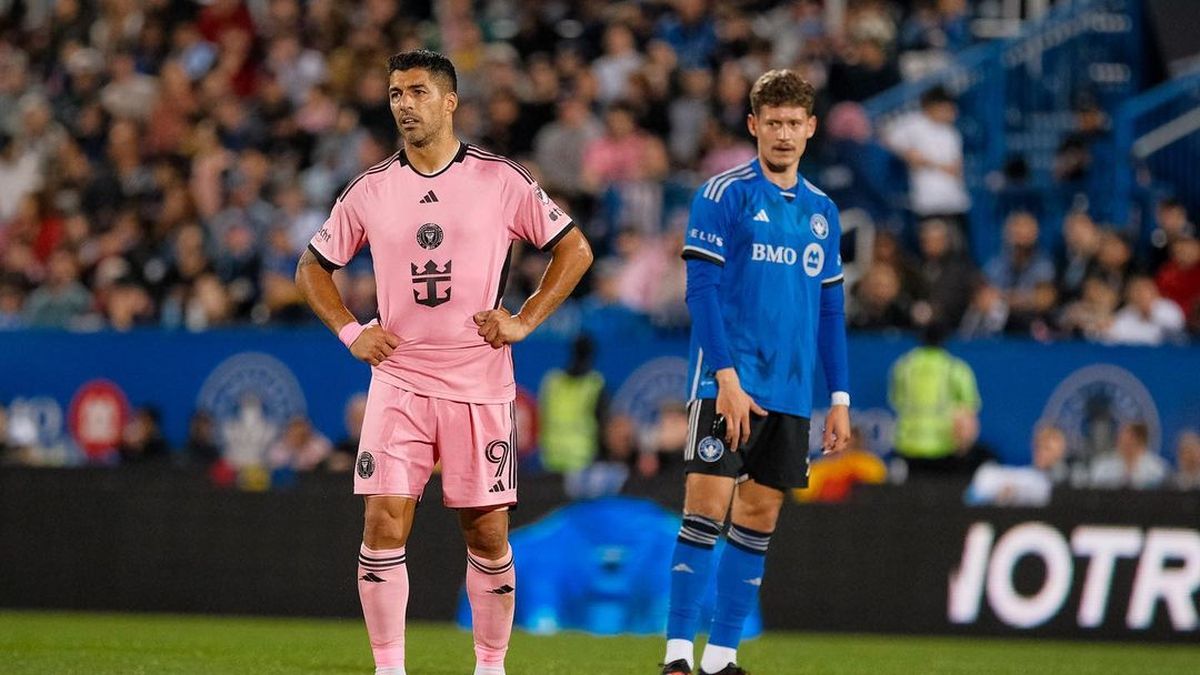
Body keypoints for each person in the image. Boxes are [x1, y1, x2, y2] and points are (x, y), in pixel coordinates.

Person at [295, 50, 592, 675]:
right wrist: (352, 331)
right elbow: (312, 268)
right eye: (396, 93)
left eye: (418, 91)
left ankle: (490, 666)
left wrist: (524, 320)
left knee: (486, 535)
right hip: (398, 380)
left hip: (478, 384)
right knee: (382, 520)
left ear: (450, 101)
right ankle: (389, 669)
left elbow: (575, 252)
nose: (405, 103)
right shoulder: (371, 189)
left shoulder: (501, 180)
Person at [663, 69, 850, 675]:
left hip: (791, 391)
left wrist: (840, 395)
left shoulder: (822, 211)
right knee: (706, 505)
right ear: (754, 126)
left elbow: (830, 310)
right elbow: (701, 291)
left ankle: (721, 658)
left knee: (759, 518)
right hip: (727, 383)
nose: (784, 133)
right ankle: (676, 657)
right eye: (773, 122)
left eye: (794, 123)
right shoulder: (723, 194)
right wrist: (726, 378)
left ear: (811, 128)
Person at [889, 321, 981, 478]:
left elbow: (896, 400)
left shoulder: (903, 366)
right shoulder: (955, 368)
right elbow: (969, 408)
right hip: (945, 446)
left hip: (908, 444)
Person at [1088, 422, 1168, 489]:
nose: (1126, 443)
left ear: (1141, 441)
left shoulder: (1157, 468)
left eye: (1131, 440)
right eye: (1122, 438)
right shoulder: (1103, 466)